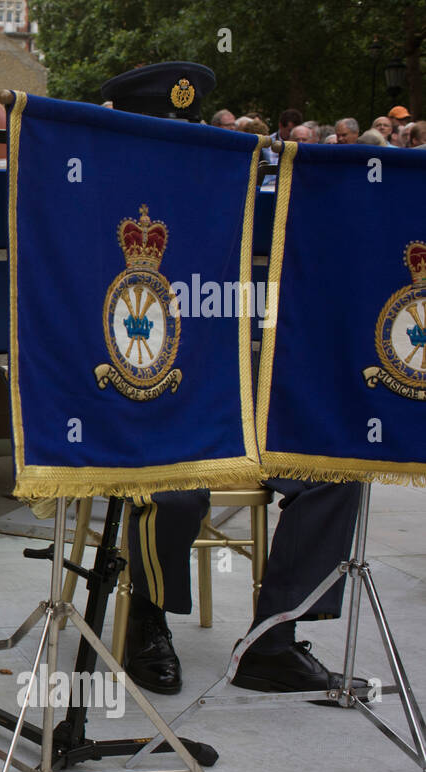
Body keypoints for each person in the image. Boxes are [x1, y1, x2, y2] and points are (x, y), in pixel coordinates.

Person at [98, 63, 369, 700]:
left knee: (335, 468)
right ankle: (148, 621)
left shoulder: (231, 196)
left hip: (228, 395)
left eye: (187, 137)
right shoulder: (97, 197)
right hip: (141, 392)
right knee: (174, 488)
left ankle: (272, 642)